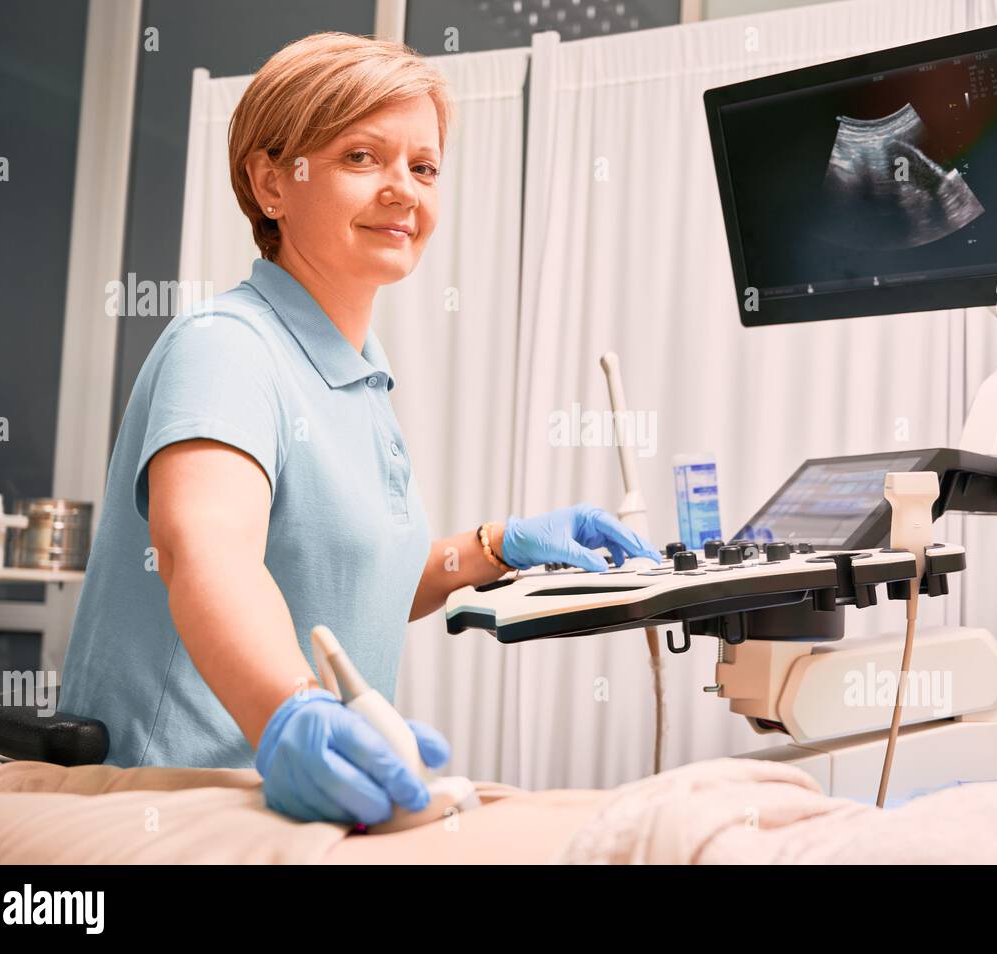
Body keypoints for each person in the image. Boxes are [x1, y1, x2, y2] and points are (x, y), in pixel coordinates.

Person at [60, 33, 660, 825]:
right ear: (271, 182)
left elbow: (347, 590)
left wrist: (490, 546)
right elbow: (202, 551)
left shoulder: (359, 378)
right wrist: (290, 713)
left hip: (309, 808)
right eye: (362, 157)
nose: (404, 191)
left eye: (423, 167)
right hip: (179, 804)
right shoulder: (226, 346)